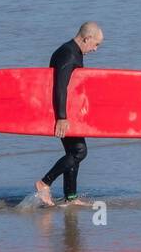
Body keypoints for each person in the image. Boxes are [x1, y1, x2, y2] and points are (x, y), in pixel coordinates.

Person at [34, 22, 103, 207]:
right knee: (80, 151)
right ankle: (44, 183)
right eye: (96, 44)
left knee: (73, 152)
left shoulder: (74, 52)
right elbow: (60, 86)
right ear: (86, 38)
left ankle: (70, 197)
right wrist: (62, 118)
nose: (95, 49)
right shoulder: (68, 53)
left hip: (70, 112)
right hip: (62, 112)